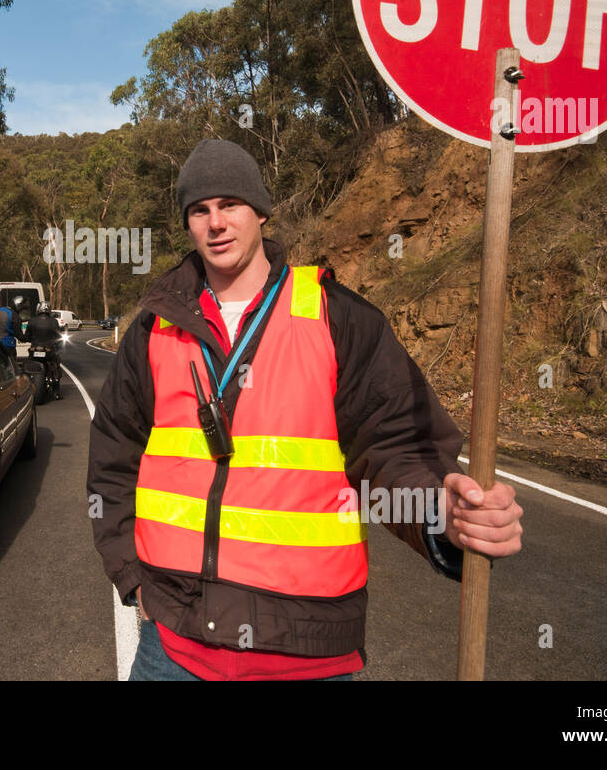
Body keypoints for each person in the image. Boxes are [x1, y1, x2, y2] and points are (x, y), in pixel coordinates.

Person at [87, 138, 523, 681]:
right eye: (199, 210)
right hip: (173, 648)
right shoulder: (155, 326)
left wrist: (443, 515)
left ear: (262, 212)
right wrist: (132, 579)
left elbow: (393, 449)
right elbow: (113, 460)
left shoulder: (338, 318)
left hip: (308, 652)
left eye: (230, 205)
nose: (216, 223)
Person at [27, 301, 64, 397]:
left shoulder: (32, 321)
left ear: (38, 309)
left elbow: (27, 336)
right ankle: (56, 392)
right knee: (56, 365)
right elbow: (58, 336)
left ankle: (28, 385)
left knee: (29, 364)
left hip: (34, 349)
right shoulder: (54, 321)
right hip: (49, 350)